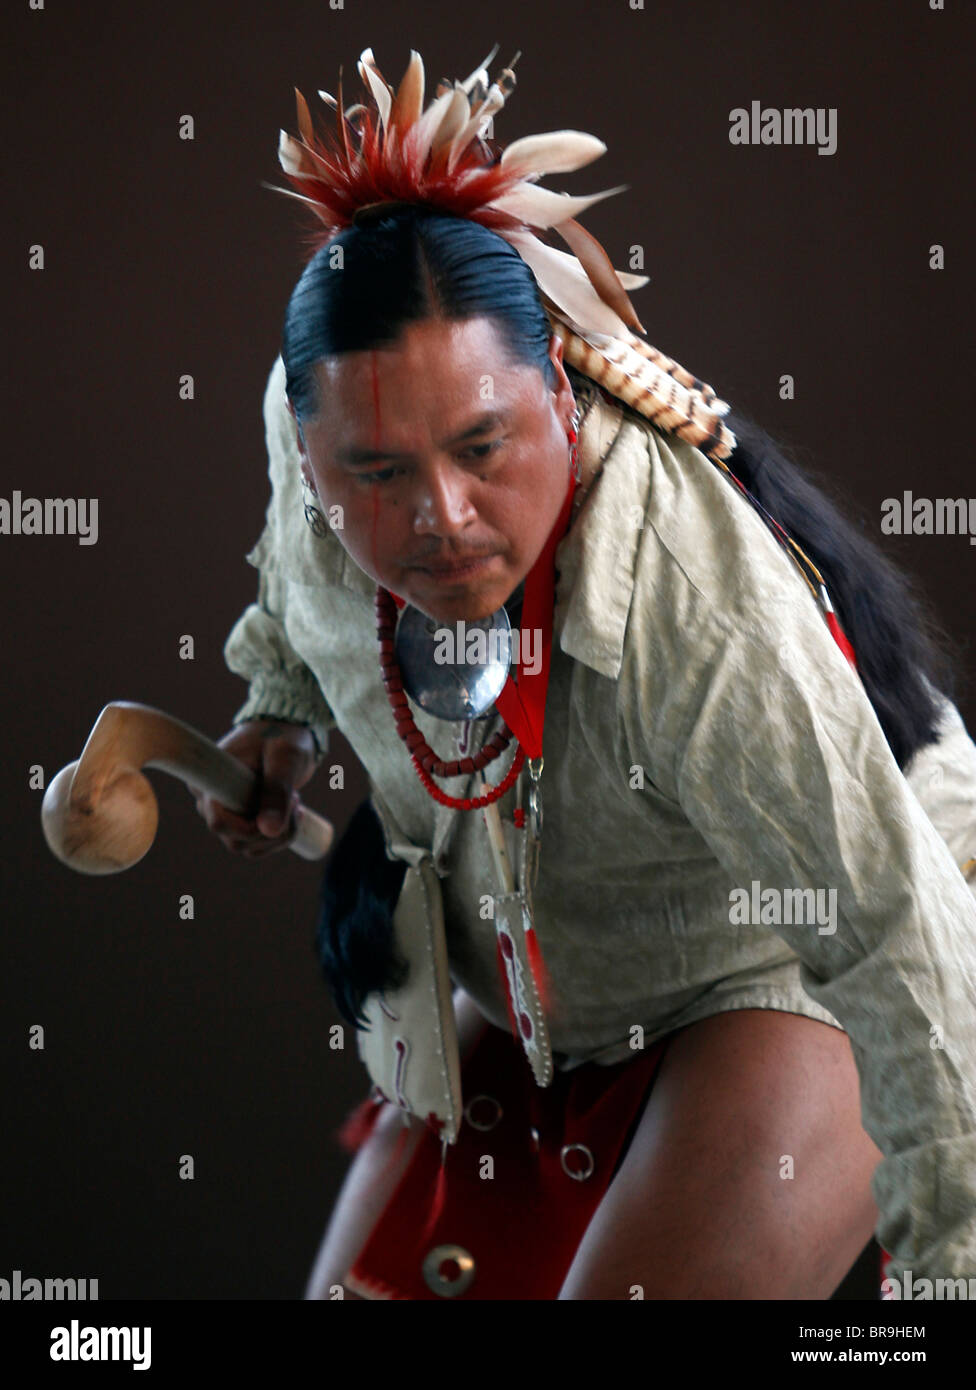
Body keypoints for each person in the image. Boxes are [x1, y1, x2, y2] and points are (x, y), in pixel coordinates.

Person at [194, 46, 976, 1299]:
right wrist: (280, 716)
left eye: (481, 444)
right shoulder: (320, 436)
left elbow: (896, 933)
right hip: (536, 990)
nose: (440, 516)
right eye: (378, 474)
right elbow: (298, 587)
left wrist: (953, 1274)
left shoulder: (692, 595)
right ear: (312, 448)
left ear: (557, 395)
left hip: (790, 962)